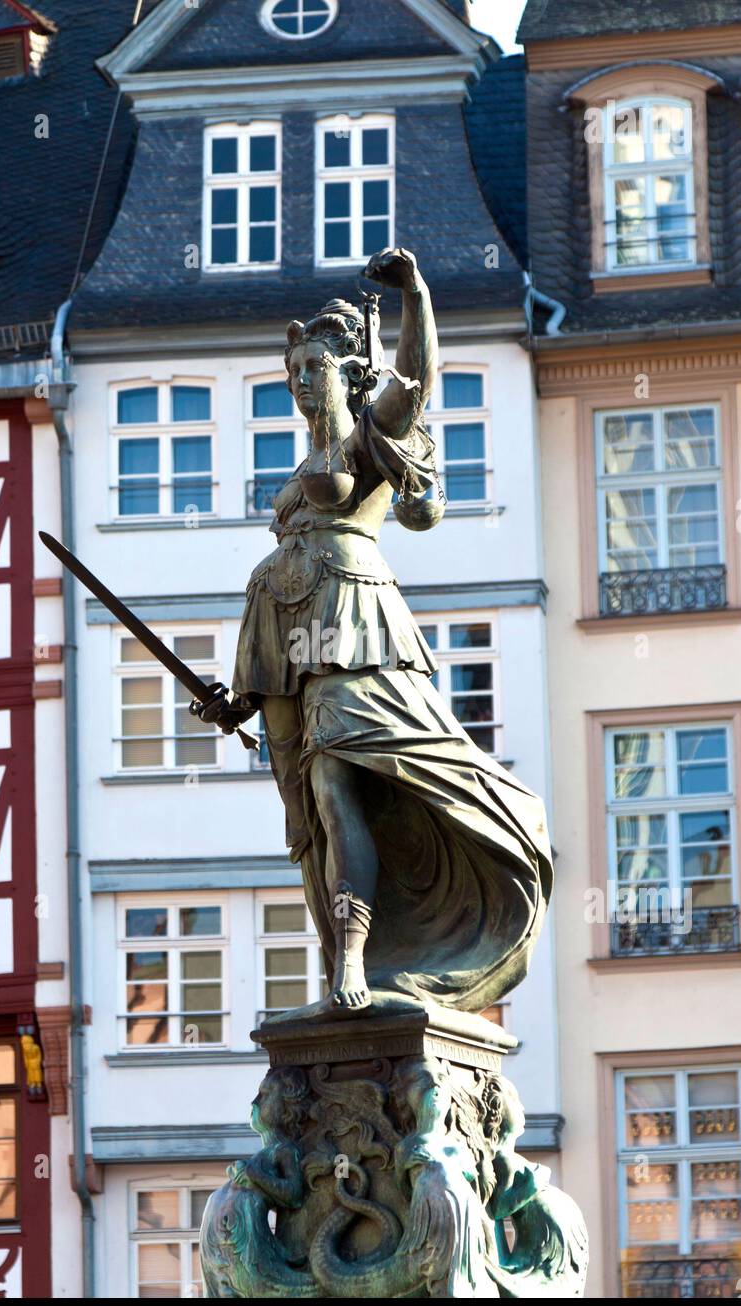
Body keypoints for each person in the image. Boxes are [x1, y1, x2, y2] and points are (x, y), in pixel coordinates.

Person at [194, 248, 551, 1015]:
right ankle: (337, 961)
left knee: (335, 780)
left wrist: (417, 292)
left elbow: (417, 377)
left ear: (349, 374)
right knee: (311, 819)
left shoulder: (366, 440)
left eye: (312, 367)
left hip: (352, 622)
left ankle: (356, 956)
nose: (298, 381)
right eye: (292, 369)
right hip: (282, 635)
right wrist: (240, 700)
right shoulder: (303, 464)